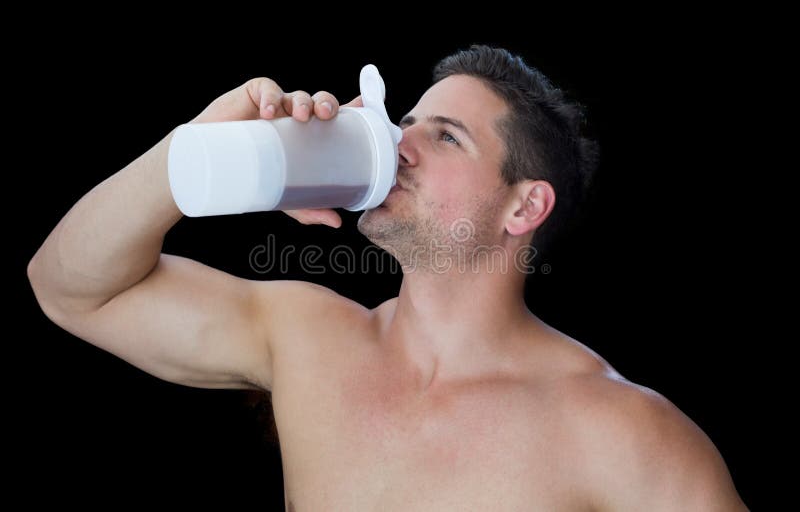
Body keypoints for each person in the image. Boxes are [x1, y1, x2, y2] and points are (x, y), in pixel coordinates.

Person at [27, 45, 747, 511]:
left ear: (524, 205)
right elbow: (70, 286)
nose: (400, 144)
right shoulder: (308, 341)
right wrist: (201, 146)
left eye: (446, 136)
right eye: (407, 122)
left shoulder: (625, 434)